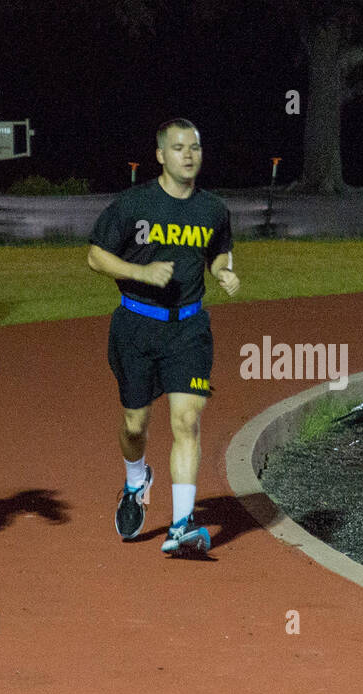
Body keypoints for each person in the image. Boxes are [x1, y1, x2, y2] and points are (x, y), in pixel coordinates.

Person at [87, 118, 240, 556]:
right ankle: (136, 481)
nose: (188, 155)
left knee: (186, 420)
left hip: (189, 330)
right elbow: (96, 256)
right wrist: (141, 272)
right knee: (135, 425)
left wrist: (222, 270)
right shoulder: (134, 204)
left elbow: (217, 249)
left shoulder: (212, 209)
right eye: (178, 148)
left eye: (194, 147)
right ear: (160, 155)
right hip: (136, 326)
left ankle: (180, 524)